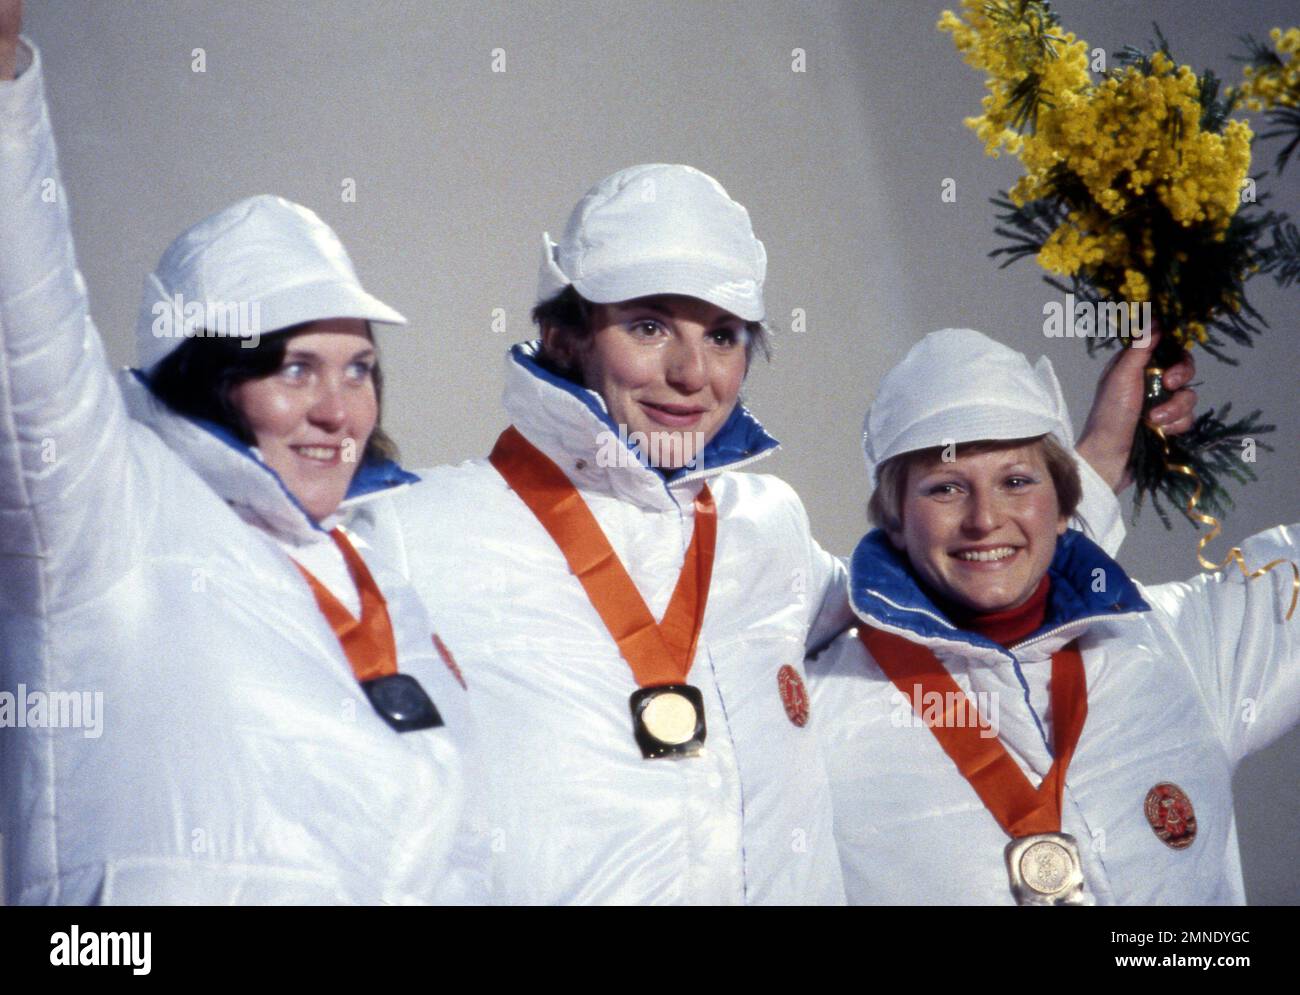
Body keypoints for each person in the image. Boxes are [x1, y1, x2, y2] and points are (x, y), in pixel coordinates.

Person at [353, 163, 1192, 904]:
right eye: (649, 326)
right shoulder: (419, 532)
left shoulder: (769, 531)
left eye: (721, 335)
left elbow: (958, 589)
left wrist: (1093, 464)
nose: (693, 374)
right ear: (563, 333)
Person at [0, 16, 483, 904]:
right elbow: (22, 333)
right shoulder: (106, 514)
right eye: (295, 369)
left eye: (360, 371)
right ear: (211, 376)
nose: (339, 411)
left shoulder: (374, 570)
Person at [806, 327, 1298, 905]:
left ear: (1067, 502)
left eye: (1017, 482)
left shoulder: (1183, 645)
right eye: (945, 488)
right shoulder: (822, 707)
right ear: (893, 518)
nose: (984, 519)